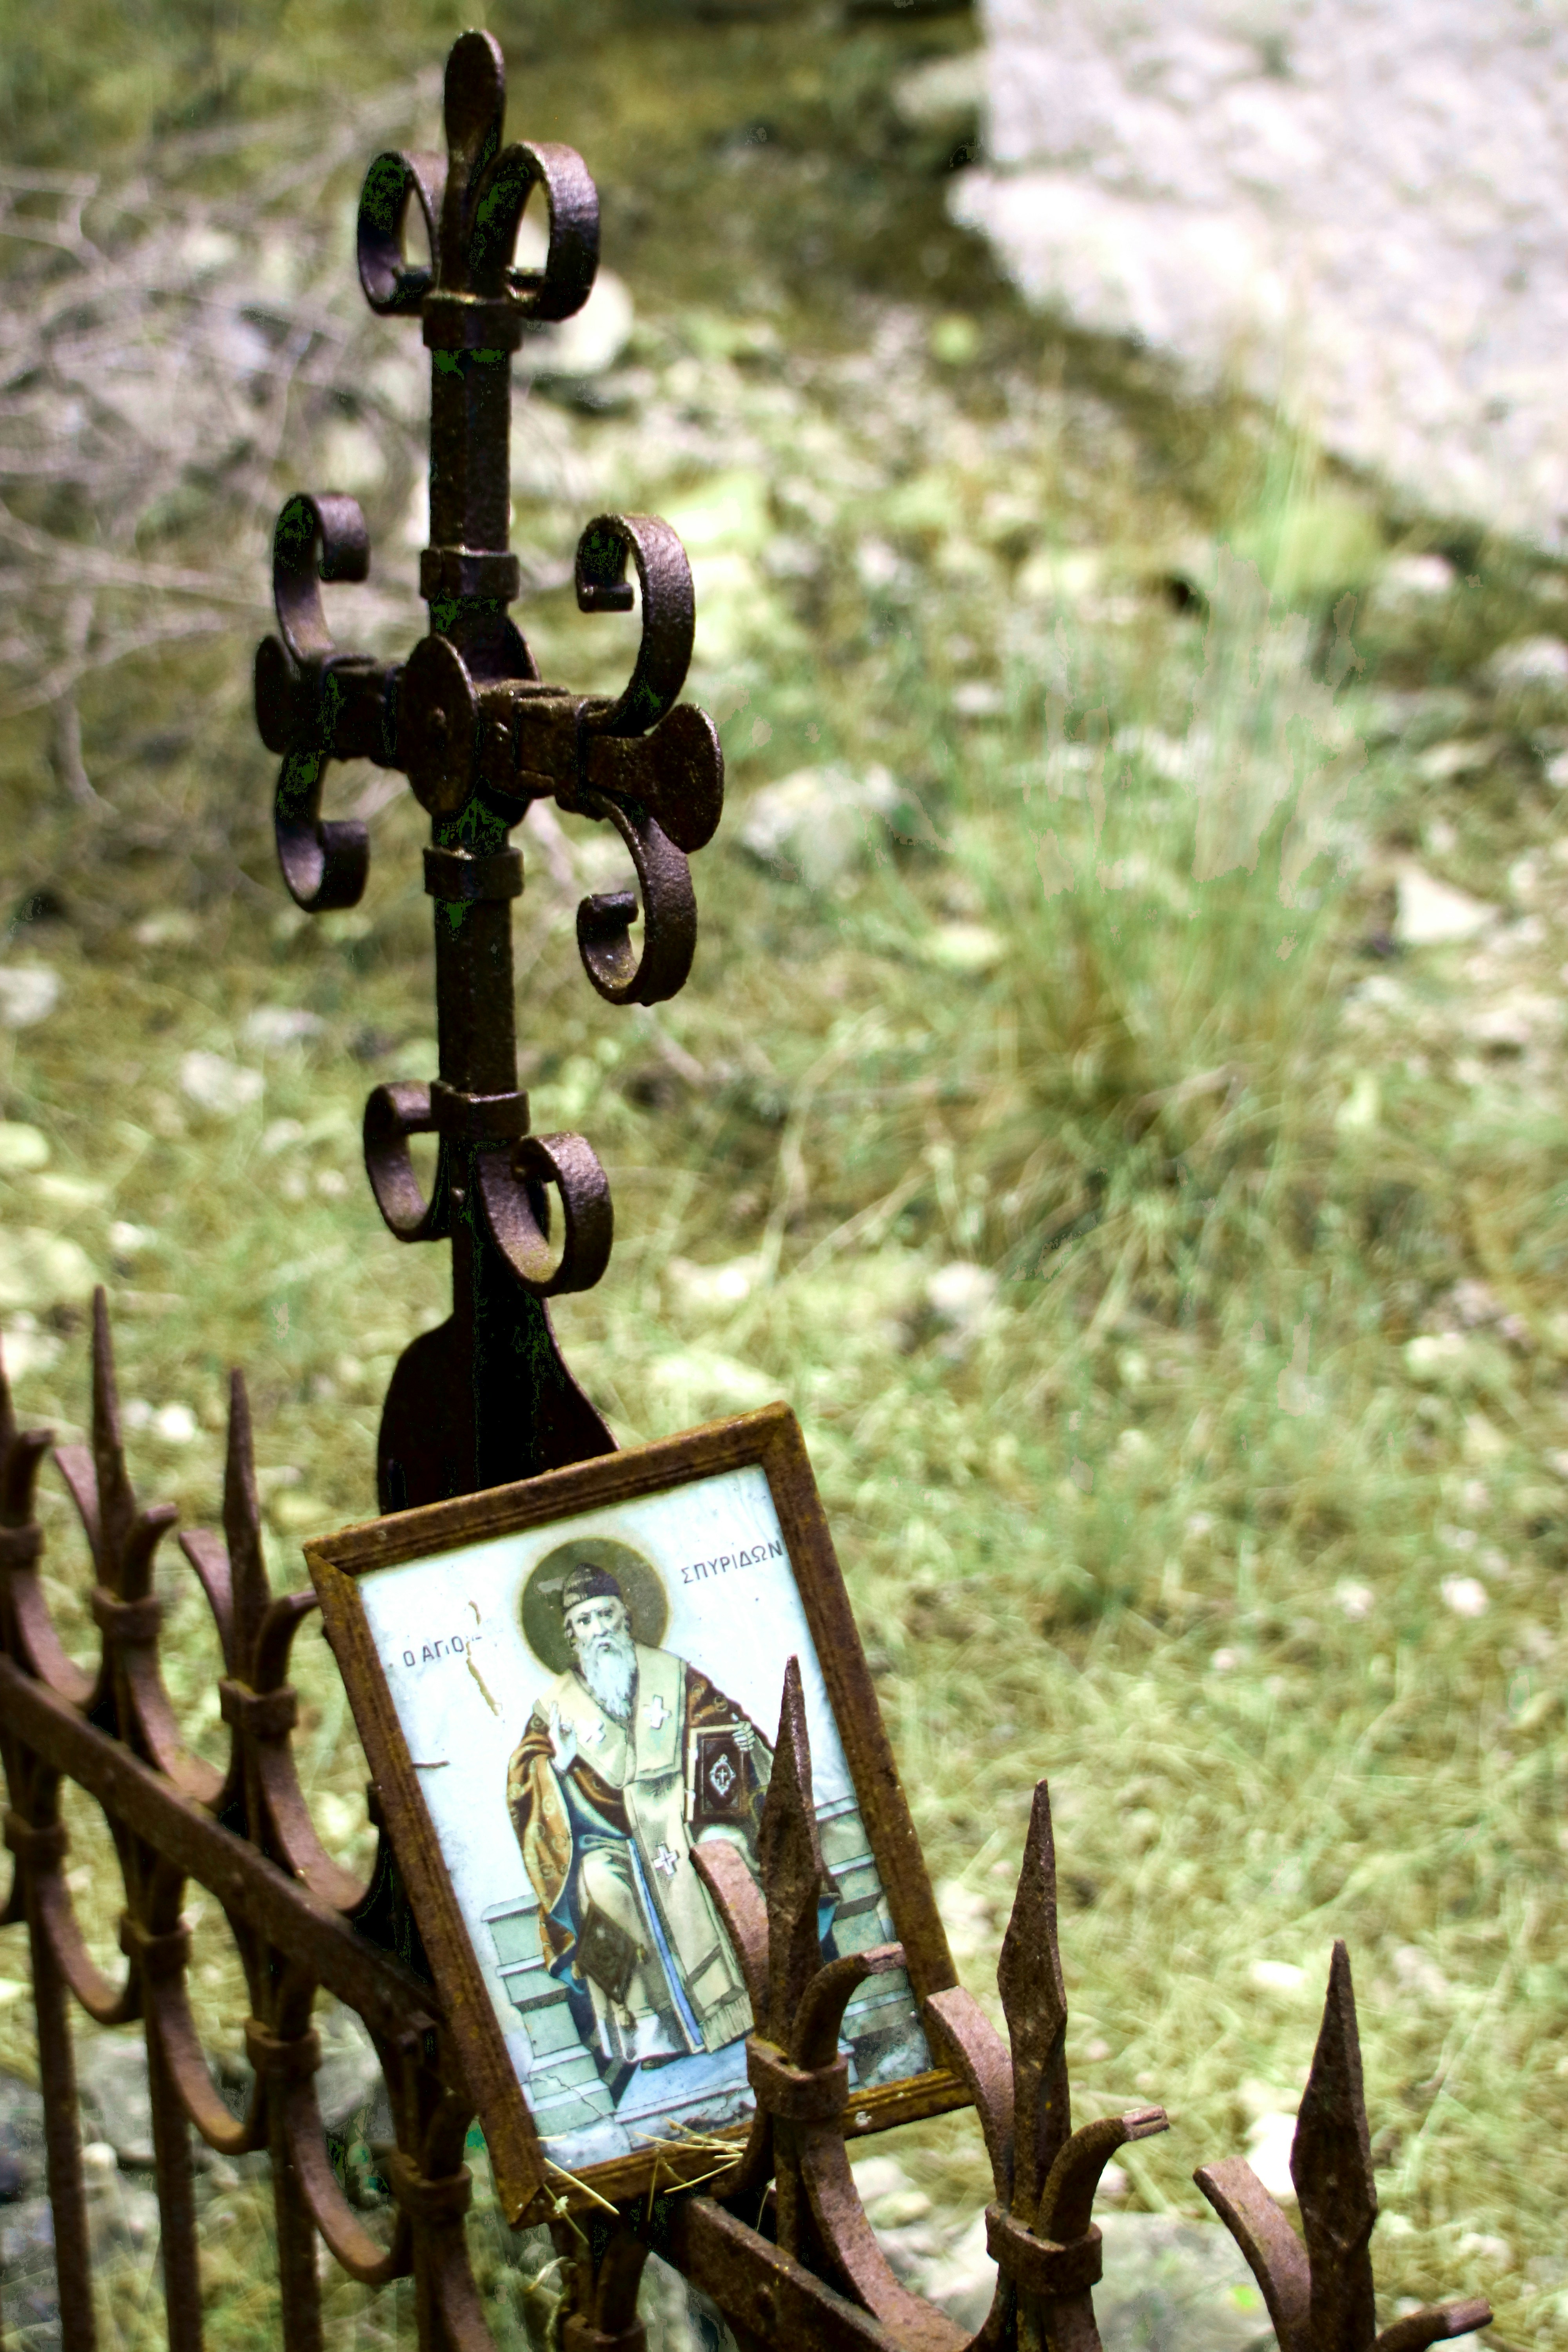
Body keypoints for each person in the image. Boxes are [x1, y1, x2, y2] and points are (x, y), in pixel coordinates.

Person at [506, 1562, 772, 2091]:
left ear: (626, 1618)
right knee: (599, 1888)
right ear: (571, 1635)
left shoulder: (671, 1677)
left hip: (684, 1820)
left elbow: (722, 1727)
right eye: (585, 1621)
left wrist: (741, 1743)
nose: (599, 1629)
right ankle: (649, 2038)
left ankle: (743, 2007)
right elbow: (525, 1784)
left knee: (721, 1852)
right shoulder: (555, 1708)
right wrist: (555, 1766)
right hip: (609, 1844)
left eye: (607, 1615)